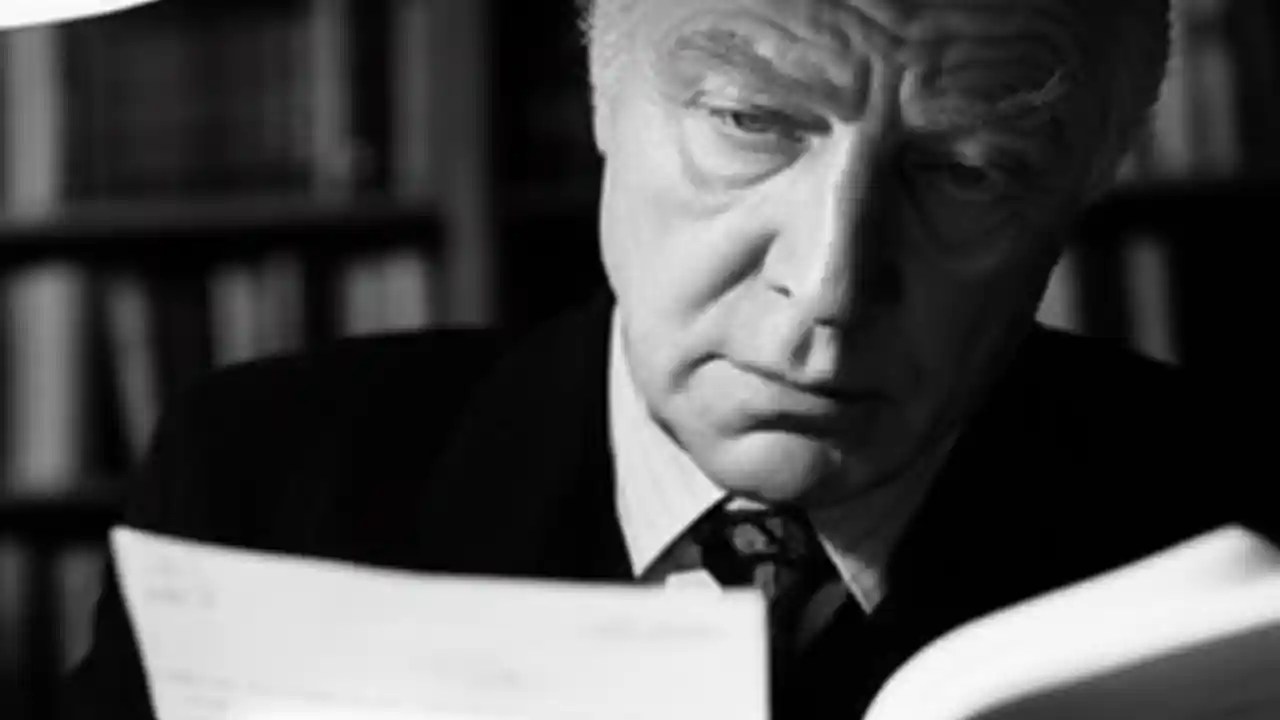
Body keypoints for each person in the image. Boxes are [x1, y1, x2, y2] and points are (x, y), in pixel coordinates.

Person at [63, 1, 1274, 718]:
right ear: (600, 96)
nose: (829, 285)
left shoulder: (1240, 525)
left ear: (1084, 186)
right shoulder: (262, 480)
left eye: (966, 171)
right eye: (749, 121)